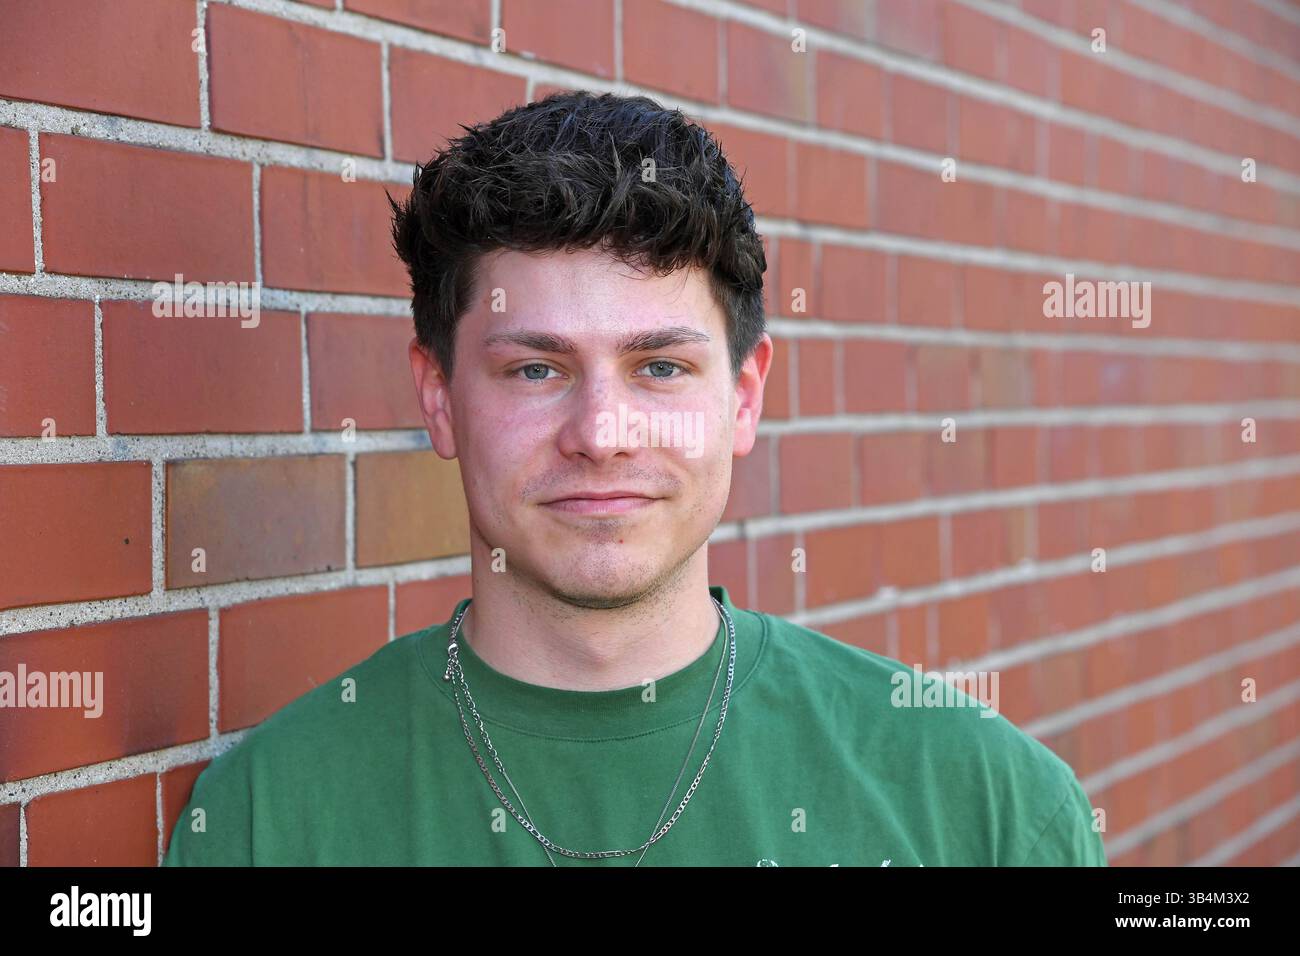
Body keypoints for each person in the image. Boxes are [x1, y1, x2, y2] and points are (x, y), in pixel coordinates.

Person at [163, 91, 1106, 866]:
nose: (600, 435)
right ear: (440, 398)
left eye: (660, 367)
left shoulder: (984, 808)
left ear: (743, 399)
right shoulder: (268, 821)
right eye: (536, 369)